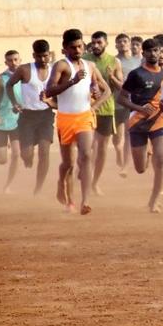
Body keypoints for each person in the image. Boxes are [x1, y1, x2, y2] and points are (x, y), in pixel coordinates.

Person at [45, 28, 112, 215]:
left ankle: (85, 201)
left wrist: (95, 106)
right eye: (73, 47)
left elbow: (106, 90)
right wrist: (72, 82)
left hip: (85, 117)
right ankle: (65, 191)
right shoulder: (61, 66)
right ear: (65, 48)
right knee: (69, 163)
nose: (77, 50)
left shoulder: (90, 66)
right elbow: (50, 91)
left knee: (86, 156)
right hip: (65, 119)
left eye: (80, 46)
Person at [117, 38, 163, 213]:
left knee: (162, 158)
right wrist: (139, 108)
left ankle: (154, 200)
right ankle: (147, 152)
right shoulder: (136, 74)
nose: (154, 54)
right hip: (138, 122)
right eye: (150, 51)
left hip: (159, 121)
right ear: (144, 53)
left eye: (157, 51)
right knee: (140, 168)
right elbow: (122, 98)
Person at [6, 40, 54, 195]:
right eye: (39, 56)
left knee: (44, 151)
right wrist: (14, 103)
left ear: (49, 55)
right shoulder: (24, 69)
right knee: (26, 154)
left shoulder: (55, 71)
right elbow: (9, 85)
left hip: (46, 115)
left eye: (45, 56)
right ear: (34, 55)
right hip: (27, 116)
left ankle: (38, 188)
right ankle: (28, 157)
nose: (42, 59)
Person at [84, 30, 123, 195]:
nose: (96, 46)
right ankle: (86, 175)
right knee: (88, 146)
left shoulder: (114, 61)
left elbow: (121, 86)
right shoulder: (85, 60)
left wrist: (112, 77)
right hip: (87, 108)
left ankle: (95, 182)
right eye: (93, 43)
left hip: (107, 109)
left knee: (102, 148)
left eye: (99, 43)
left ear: (106, 43)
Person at [0, 50, 22, 193]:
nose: (14, 63)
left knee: (16, 154)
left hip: (17, 122)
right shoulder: (0, 79)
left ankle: (8, 185)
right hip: (0, 122)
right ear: (6, 63)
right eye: (10, 60)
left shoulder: (25, 78)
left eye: (16, 59)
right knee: (2, 160)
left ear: (20, 60)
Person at [115, 33, 141, 178]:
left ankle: (125, 165)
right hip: (116, 102)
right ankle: (120, 158)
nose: (123, 44)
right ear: (116, 45)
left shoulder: (138, 61)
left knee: (128, 134)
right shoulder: (114, 61)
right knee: (117, 138)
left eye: (125, 41)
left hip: (132, 103)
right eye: (120, 42)